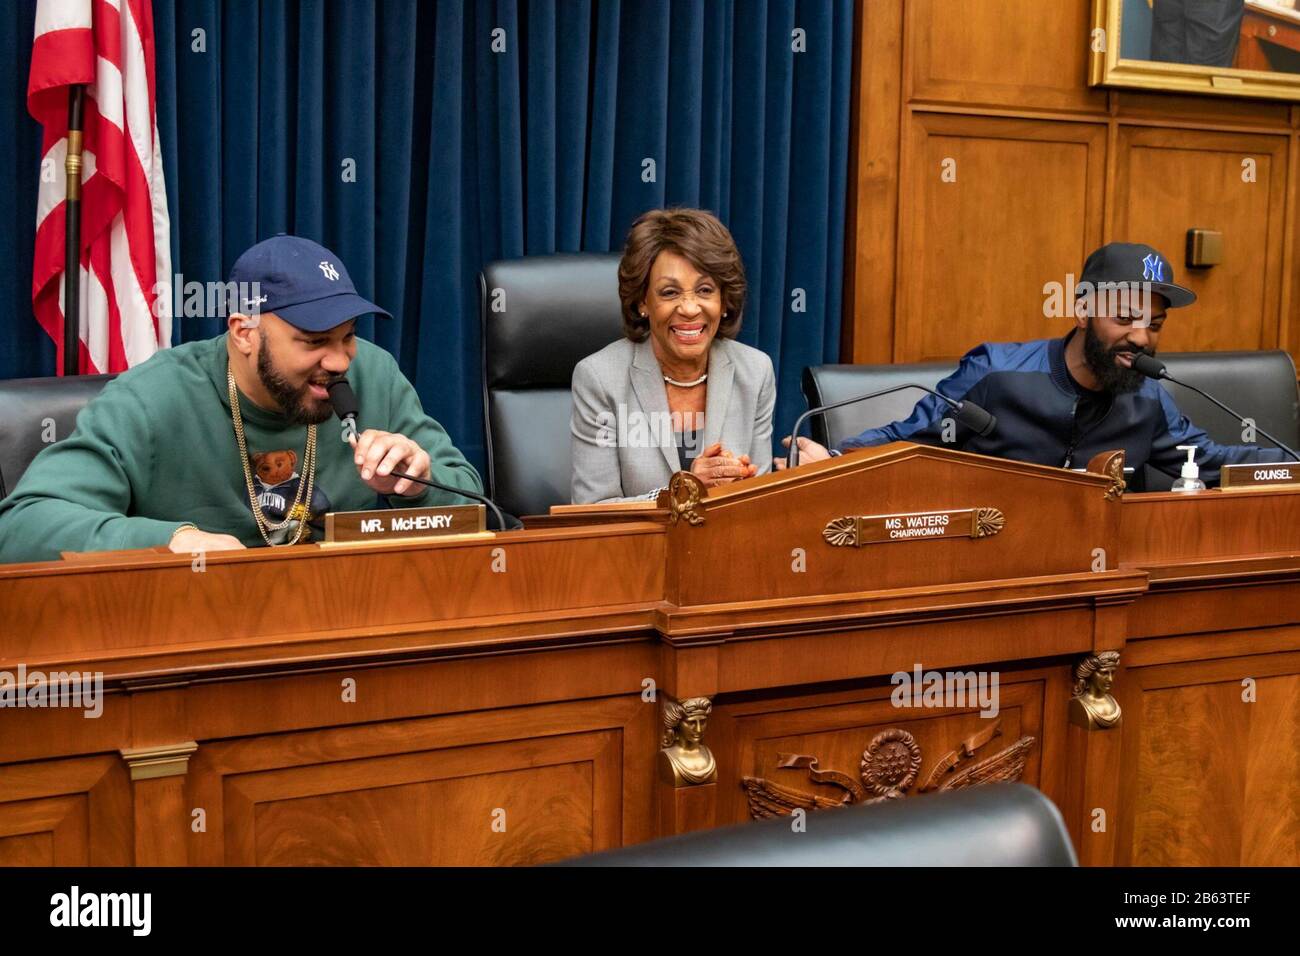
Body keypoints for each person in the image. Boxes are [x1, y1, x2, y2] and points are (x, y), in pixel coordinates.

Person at [0, 235, 482, 563]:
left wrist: (419, 485)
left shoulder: (373, 374)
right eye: (315, 341)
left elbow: (479, 507)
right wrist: (172, 541)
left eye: (348, 335)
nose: (339, 361)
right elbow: (22, 528)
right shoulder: (151, 399)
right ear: (244, 332)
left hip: (342, 631)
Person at [787, 242, 1291, 487]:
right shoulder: (997, 372)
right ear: (1084, 310)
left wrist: (1292, 467)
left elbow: (1209, 461)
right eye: (1125, 317)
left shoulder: (1148, 397)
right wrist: (832, 462)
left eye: (1154, 324)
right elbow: (912, 437)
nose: (1140, 336)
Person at [570, 208, 775, 503]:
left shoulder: (755, 372)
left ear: (724, 300)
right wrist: (681, 494)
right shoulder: (600, 378)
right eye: (669, 293)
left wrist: (739, 487)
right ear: (643, 302)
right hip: (637, 549)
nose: (690, 308)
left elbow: (760, 501)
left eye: (705, 290)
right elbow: (593, 511)